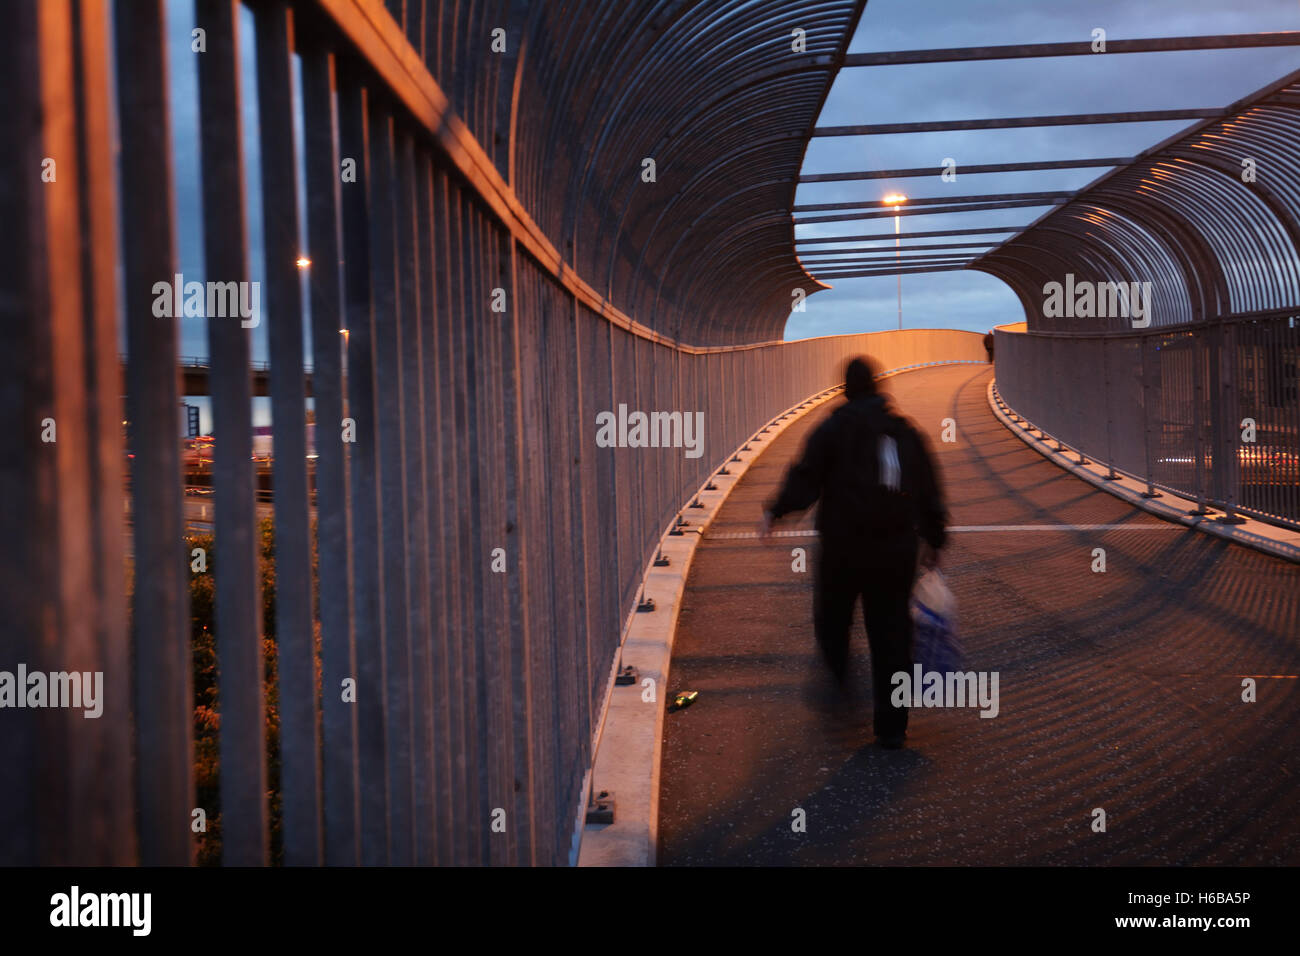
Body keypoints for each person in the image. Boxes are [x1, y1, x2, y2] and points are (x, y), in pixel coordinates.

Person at [760, 357, 947, 749]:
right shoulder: (904, 431)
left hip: (843, 548)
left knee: (832, 620)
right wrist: (935, 538)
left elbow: (806, 476)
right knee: (891, 634)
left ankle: (841, 681)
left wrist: (775, 511)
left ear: (846, 388)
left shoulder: (832, 429)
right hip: (896, 549)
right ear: (879, 389)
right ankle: (892, 727)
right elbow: (927, 485)